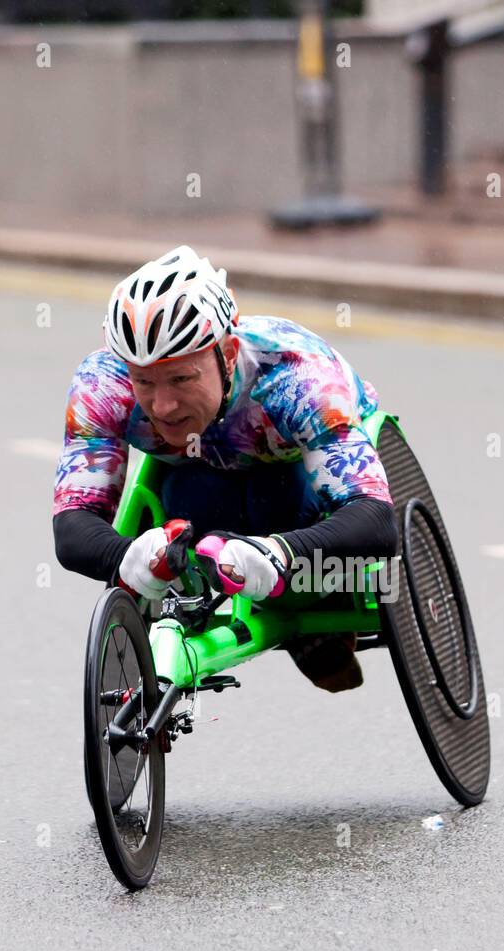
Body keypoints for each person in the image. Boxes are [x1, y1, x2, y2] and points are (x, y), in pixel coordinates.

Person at [52, 245, 397, 692]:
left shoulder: (297, 380)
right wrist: (128, 558)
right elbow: (72, 527)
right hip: (196, 485)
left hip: (298, 492)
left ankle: (310, 608)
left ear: (228, 353)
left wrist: (279, 554)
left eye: (181, 378)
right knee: (188, 499)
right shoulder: (104, 385)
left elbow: (376, 522)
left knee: (273, 493)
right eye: (145, 382)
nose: (163, 404)